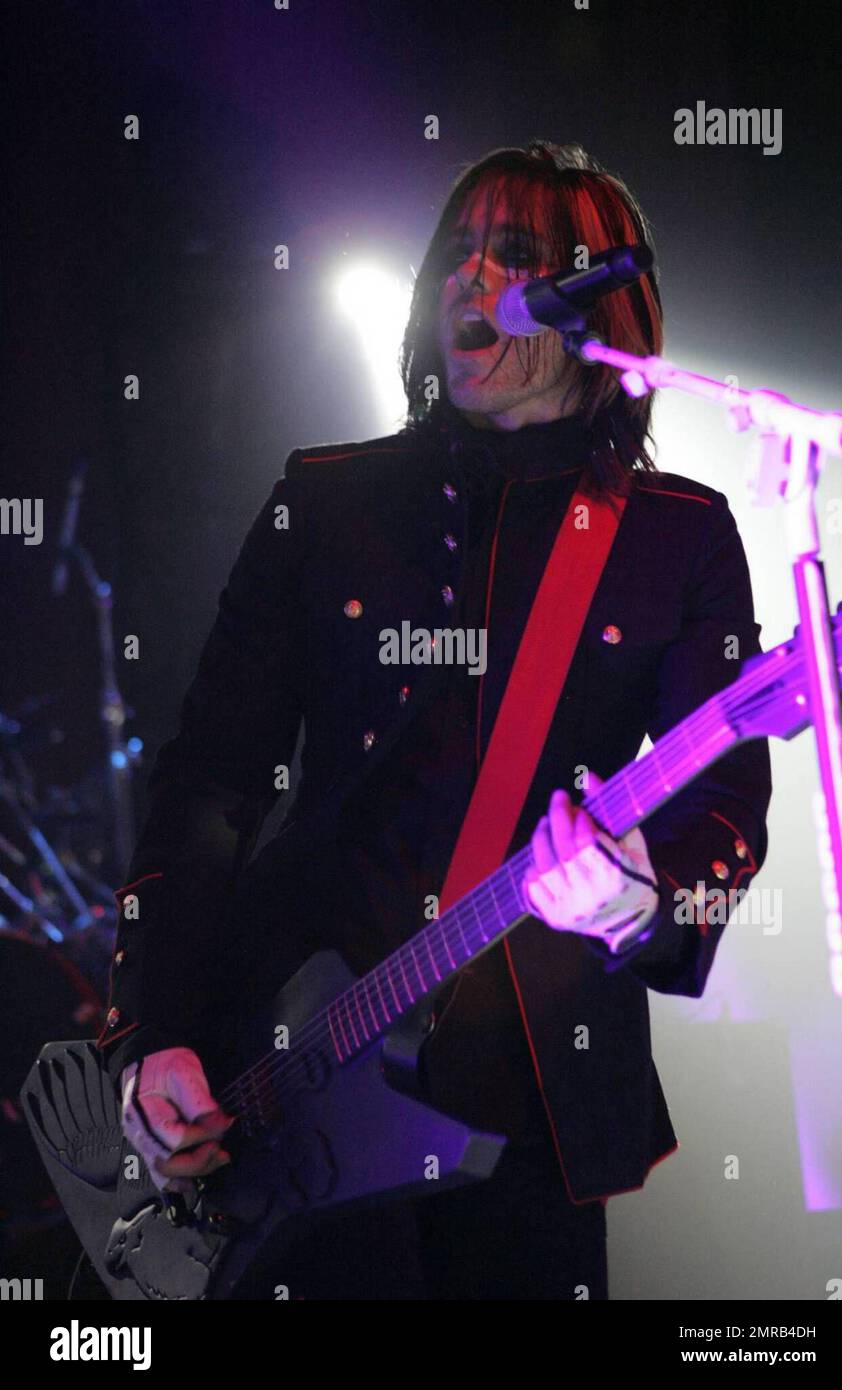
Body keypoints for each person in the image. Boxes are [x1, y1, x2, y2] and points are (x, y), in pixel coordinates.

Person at [95, 140, 771, 1300]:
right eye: (453, 253)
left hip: (528, 1109)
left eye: (512, 258)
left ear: (595, 306)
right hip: (279, 1062)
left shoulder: (678, 534)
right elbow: (211, 778)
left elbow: (725, 806)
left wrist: (640, 902)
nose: (468, 278)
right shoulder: (329, 496)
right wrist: (157, 1026)